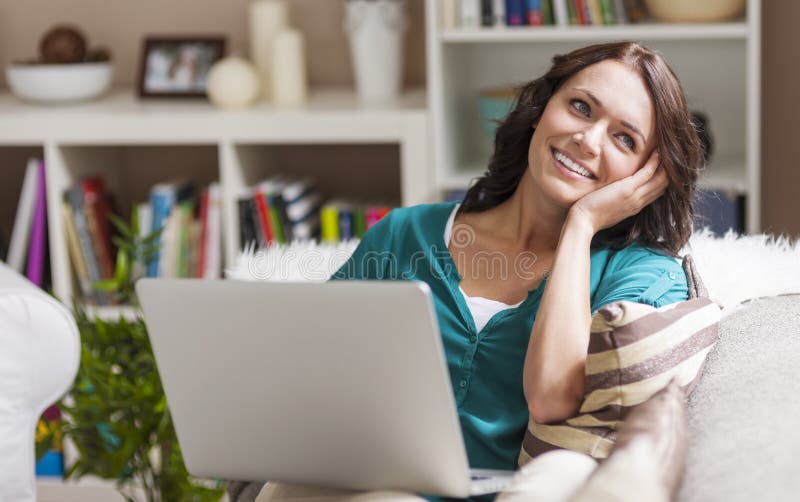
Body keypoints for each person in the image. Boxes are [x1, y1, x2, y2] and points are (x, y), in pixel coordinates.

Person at [231, 40, 702, 502]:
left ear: (648, 174)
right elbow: (309, 368)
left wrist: (580, 227)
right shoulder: (404, 234)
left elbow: (551, 398)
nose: (588, 139)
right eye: (580, 107)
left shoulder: (643, 276)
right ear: (541, 110)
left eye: (625, 138)